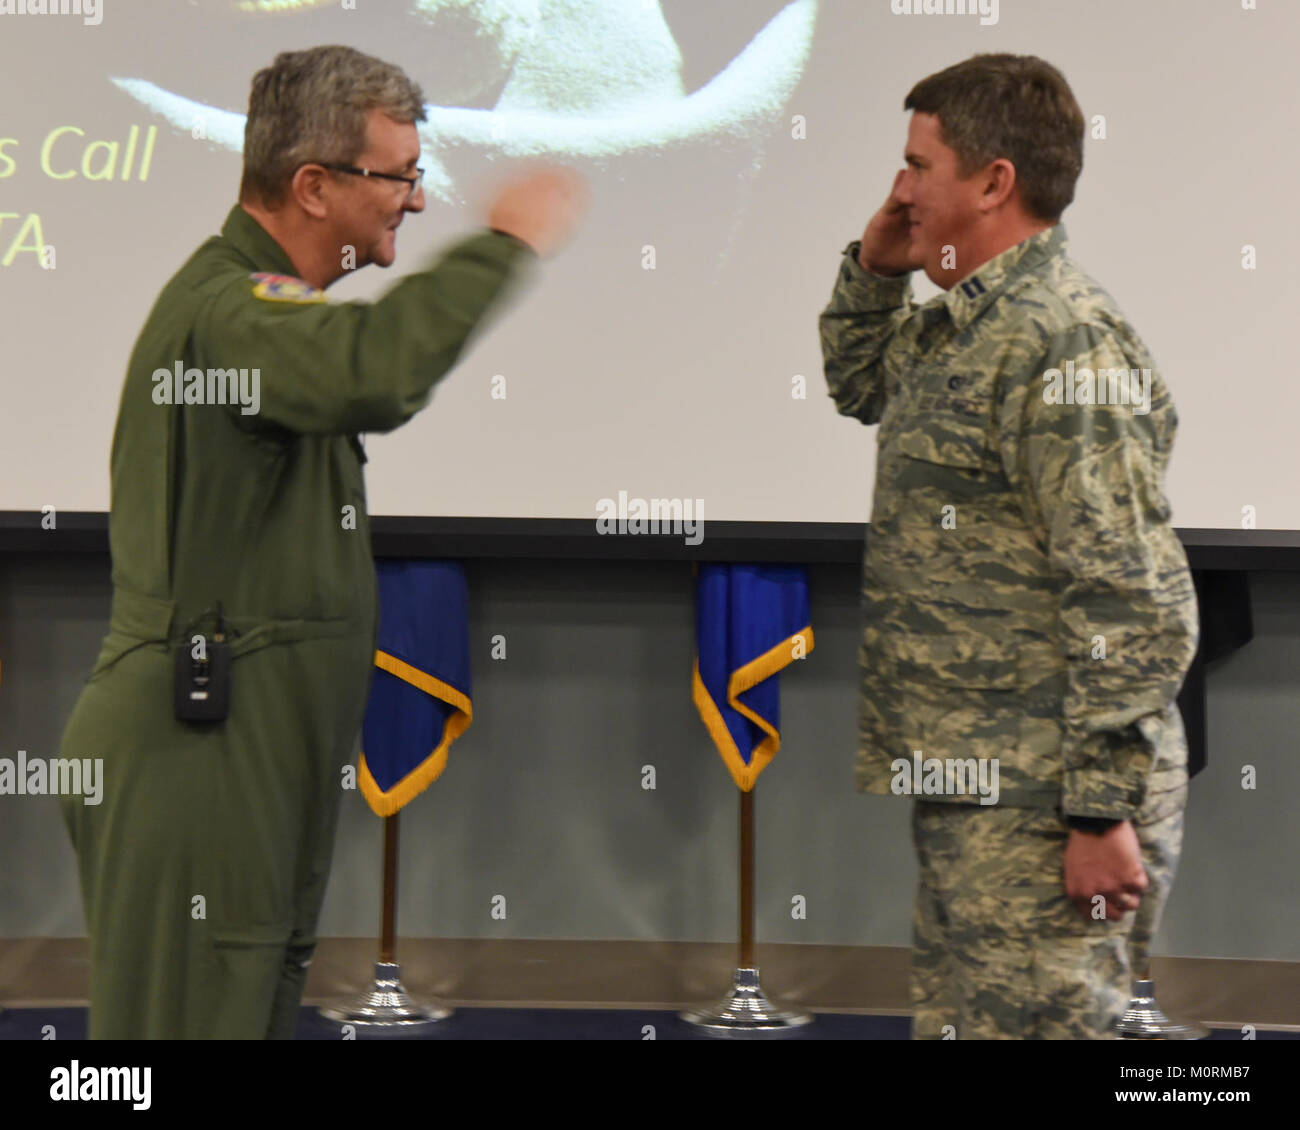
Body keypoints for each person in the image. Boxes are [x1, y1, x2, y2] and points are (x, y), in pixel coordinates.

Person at [57, 44, 585, 1039]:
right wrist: (500, 245)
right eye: (399, 177)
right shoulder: (231, 313)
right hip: (196, 757)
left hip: (235, 754)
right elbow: (371, 370)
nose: (417, 204)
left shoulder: (256, 313)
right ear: (312, 185)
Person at [820, 53, 1198, 1039]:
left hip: (1045, 795)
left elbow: (1126, 590)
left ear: (992, 182)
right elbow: (860, 387)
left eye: (917, 165)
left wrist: (1094, 809)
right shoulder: (959, 323)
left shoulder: (1061, 340)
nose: (900, 189)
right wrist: (872, 274)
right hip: (973, 774)